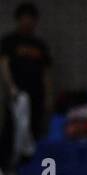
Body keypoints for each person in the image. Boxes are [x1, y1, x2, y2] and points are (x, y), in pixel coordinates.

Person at [0, 3, 52, 141]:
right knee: (13, 127)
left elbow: (46, 71)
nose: (28, 22)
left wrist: (48, 96)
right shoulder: (9, 41)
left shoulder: (40, 44)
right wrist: (10, 87)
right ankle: (8, 161)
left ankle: (33, 161)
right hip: (17, 92)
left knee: (34, 126)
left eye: (31, 18)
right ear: (18, 19)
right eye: (25, 18)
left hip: (36, 92)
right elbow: (4, 65)